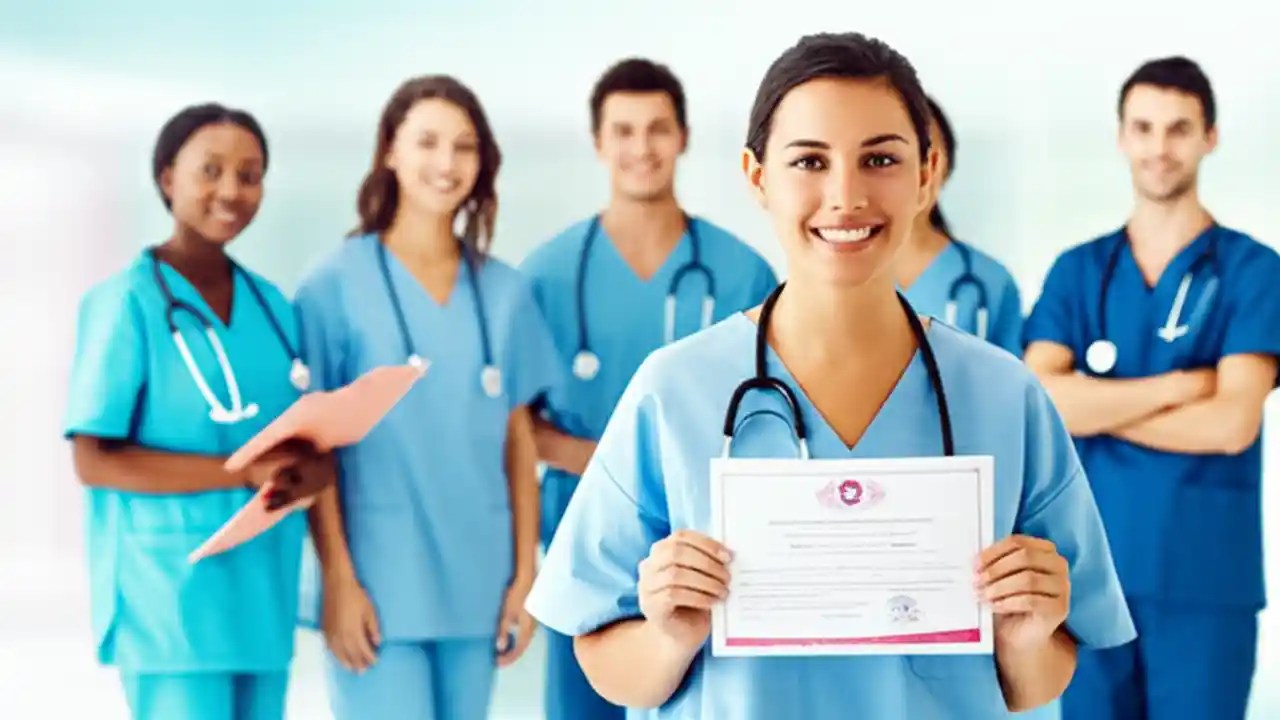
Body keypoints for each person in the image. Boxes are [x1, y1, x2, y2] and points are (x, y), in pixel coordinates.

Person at [524, 32, 1137, 719]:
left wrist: (1025, 638)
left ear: (927, 175)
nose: (845, 195)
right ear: (757, 177)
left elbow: (1039, 679)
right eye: (809, 161)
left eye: (880, 158)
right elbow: (605, 657)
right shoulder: (674, 390)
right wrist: (669, 636)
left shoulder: (1003, 394)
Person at [292, 75, 562, 720]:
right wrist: (338, 581)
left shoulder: (504, 292)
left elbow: (518, 442)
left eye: (464, 146)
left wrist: (525, 578)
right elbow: (311, 446)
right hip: (378, 587)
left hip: (479, 582)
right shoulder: (333, 285)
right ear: (390, 150)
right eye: (428, 142)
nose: (447, 163)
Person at [519, 56, 780, 719]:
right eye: (624, 130)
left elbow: (776, 416)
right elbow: (514, 422)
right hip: (585, 548)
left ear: (684, 138)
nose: (642, 148)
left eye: (658, 128)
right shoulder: (548, 273)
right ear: (599, 142)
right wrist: (624, 472)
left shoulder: (742, 272)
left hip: (713, 553)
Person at [1024, 56, 1280, 720]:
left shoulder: (1254, 271)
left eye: (1178, 129)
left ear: (1209, 137)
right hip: (1089, 576)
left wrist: (1095, 407)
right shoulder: (1079, 271)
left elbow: (1231, 426)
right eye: (1143, 128)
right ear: (1121, 137)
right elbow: (1044, 403)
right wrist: (1180, 385)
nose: (1159, 148)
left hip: (1205, 579)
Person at [63, 103, 334, 720]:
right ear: (166, 178)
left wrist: (313, 471)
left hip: (261, 595)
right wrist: (238, 473)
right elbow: (94, 459)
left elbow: (292, 439)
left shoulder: (272, 307)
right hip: (169, 600)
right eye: (210, 170)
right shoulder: (124, 302)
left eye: (250, 173)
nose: (232, 191)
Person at [897, 96, 1024, 355]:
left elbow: (1012, 387)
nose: (919, 172)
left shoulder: (991, 281)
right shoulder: (838, 273)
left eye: (929, 154)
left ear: (944, 165)